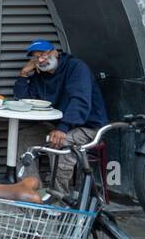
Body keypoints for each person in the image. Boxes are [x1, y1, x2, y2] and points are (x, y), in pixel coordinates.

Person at [12, 40, 109, 194]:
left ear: (55, 53)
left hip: (88, 126)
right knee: (24, 137)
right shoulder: (40, 73)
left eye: (43, 55)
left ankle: (60, 197)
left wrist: (63, 128)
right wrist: (23, 74)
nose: (41, 60)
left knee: (59, 142)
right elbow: (24, 99)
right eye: (36, 58)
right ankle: (31, 191)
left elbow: (80, 101)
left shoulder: (76, 68)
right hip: (57, 125)